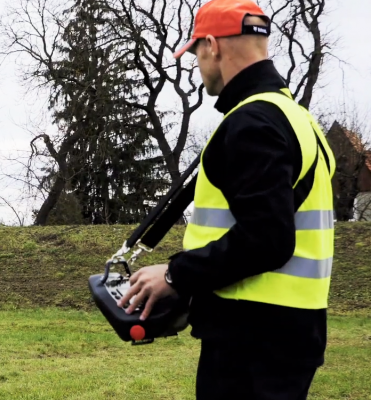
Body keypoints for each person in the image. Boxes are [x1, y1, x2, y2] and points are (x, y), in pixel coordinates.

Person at [116, 0, 335, 399]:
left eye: (197, 51)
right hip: (289, 333)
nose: (198, 64)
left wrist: (174, 275)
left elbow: (268, 239)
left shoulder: (252, 123)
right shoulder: (299, 119)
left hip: (250, 341)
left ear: (212, 46)